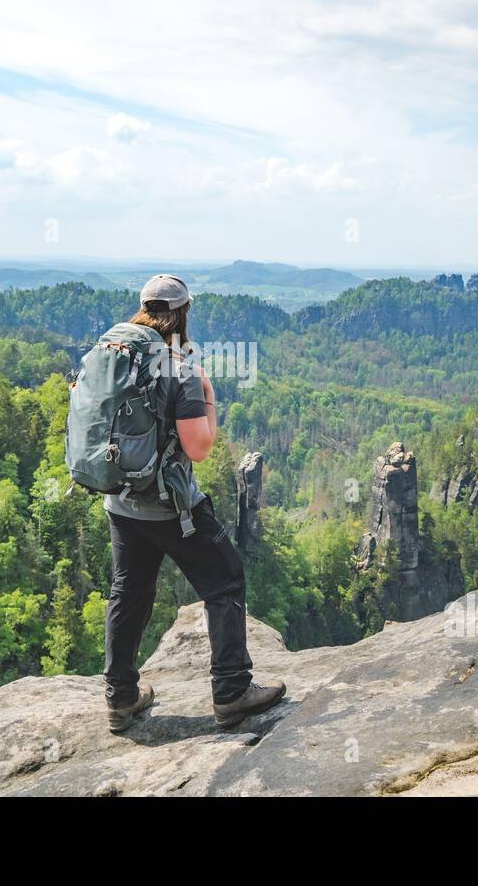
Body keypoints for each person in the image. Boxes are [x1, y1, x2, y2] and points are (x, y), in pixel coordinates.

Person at [103, 274, 286, 732]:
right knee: (225, 581)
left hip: (120, 503)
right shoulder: (177, 367)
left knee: (129, 594)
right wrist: (208, 397)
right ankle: (231, 692)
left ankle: (121, 698)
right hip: (171, 505)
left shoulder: (113, 353)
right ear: (183, 313)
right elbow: (199, 447)